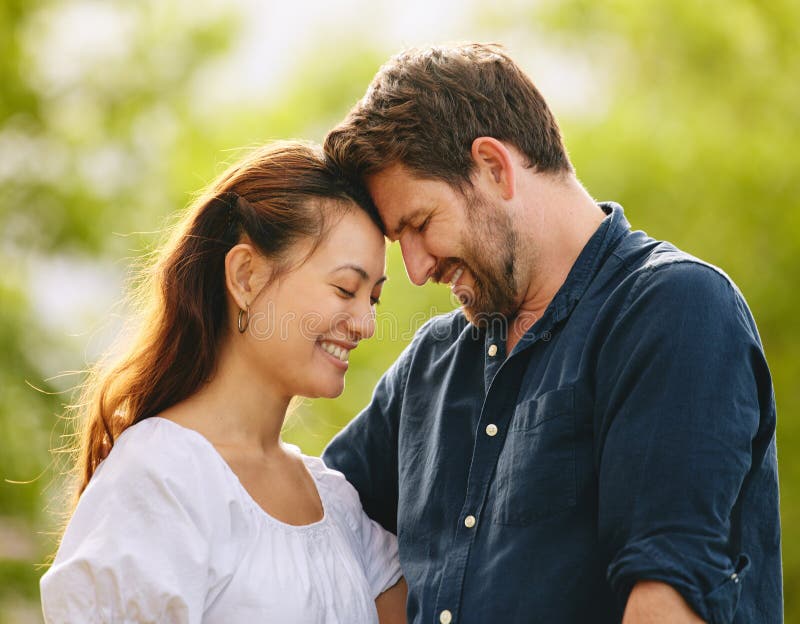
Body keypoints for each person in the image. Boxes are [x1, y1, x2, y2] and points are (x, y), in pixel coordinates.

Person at [321, 43, 782, 623]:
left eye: (421, 223)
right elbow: (314, 523)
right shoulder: (429, 366)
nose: (415, 269)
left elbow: (666, 601)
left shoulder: (674, 309)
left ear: (494, 167)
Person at [40, 141, 408, 623]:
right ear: (246, 276)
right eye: (345, 289)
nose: (365, 324)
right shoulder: (160, 476)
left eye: (373, 299)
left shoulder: (336, 503)